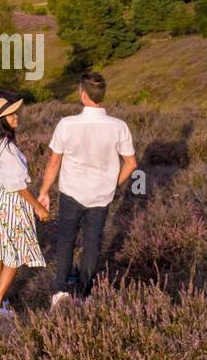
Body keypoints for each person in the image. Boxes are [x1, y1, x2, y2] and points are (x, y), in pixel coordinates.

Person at [37, 72, 137, 308]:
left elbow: (54, 163)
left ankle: (61, 291)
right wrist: (111, 186)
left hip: (71, 193)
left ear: (83, 95)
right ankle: (85, 293)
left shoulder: (67, 125)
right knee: (92, 243)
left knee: (66, 241)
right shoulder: (118, 127)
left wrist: (44, 191)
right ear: (102, 95)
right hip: (101, 196)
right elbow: (131, 163)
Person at [0, 97, 49, 319]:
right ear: (2, 121)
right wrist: (39, 207)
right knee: (14, 252)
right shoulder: (8, 149)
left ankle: (1, 298)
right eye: (11, 114)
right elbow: (19, 186)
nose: (16, 116)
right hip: (10, 202)